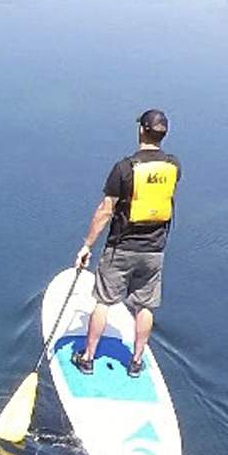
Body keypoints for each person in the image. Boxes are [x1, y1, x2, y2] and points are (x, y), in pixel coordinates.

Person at [73, 108, 181, 377]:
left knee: (103, 301)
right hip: (155, 250)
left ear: (141, 130)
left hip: (121, 248)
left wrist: (87, 245)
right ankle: (136, 362)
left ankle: (87, 358)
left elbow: (105, 210)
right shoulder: (174, 166)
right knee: (145, 305)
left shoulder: (124, 168)